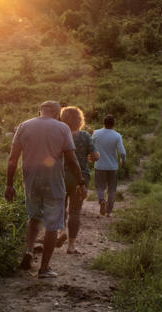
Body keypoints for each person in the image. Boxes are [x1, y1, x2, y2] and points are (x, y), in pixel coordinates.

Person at [5, 100, 87, 278]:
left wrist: (9, 184)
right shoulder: (62, 128)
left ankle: (29, 250)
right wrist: (81, 182)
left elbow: (12, 159)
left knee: (34, 217)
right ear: (57, 114)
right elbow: (72, 160)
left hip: (31, 182)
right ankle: (44, 268)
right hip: (53, 182)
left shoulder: (24, 126)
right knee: (52, 225)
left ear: (39, 112)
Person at [59, 106, 99, 254]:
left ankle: (61, 231)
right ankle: (71, 246)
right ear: (80, 119)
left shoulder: (60, 134)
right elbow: (95, 156)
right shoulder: (84, 136)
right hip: (80, 177)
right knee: (75, 212)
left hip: (61, 176)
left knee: (60, 207)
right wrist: (91, 157)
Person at [92, 114, 126, 217]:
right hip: (112, 167)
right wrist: (122, 160)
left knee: (100, 186)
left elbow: (90, 146)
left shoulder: (96, 133)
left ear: (104, 123)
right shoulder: (117, 135)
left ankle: (102, 200)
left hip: (99, 165)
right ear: (113, 124)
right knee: (112, 189)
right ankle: (108, 212)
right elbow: (122, 152)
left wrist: (91, 156)